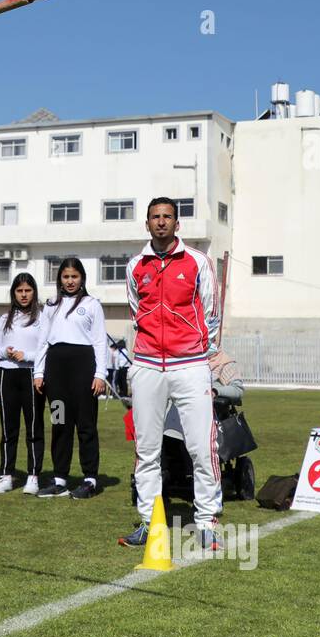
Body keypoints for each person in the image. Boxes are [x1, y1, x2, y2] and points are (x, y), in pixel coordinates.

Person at [119, 197, 222, 551]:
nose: (161, 222)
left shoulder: (198, 262)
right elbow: (137, 312)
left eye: (167, 217)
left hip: (190, 364)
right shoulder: (135, 266)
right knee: (147, 450)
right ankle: (150, 523)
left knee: (201, 447)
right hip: (147, 364)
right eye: (154, 217)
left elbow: (211, 313)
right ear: (147, 224)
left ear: (178, 224)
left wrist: (199, 355)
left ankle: (207, 521)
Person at [33, 258, 108, 499]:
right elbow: (43, 340)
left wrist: (100, 374)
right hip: (56, 371)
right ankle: (59, 479)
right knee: (60, 423)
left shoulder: (92, 304)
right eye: (66, 277)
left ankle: (89, 479)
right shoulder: (51, 305)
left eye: (74, 276)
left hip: (83, 368)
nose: (70, 281)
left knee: (85, 425)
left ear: (82, 278)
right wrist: (38, 372)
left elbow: (99, 341)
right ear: (60, 279)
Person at [0, 272, 46, 495]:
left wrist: (27, 355)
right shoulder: (4, 319)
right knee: (8, 429)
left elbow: (45, 349)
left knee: (33, 428)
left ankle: (33, 476)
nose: (23, 295)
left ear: (34, 292)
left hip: (31, 376)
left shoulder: (42, 317)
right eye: (19, 291)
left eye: (27, 290)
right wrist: (6, 351)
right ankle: (6, 475)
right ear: (13, 293)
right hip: (6, 376)